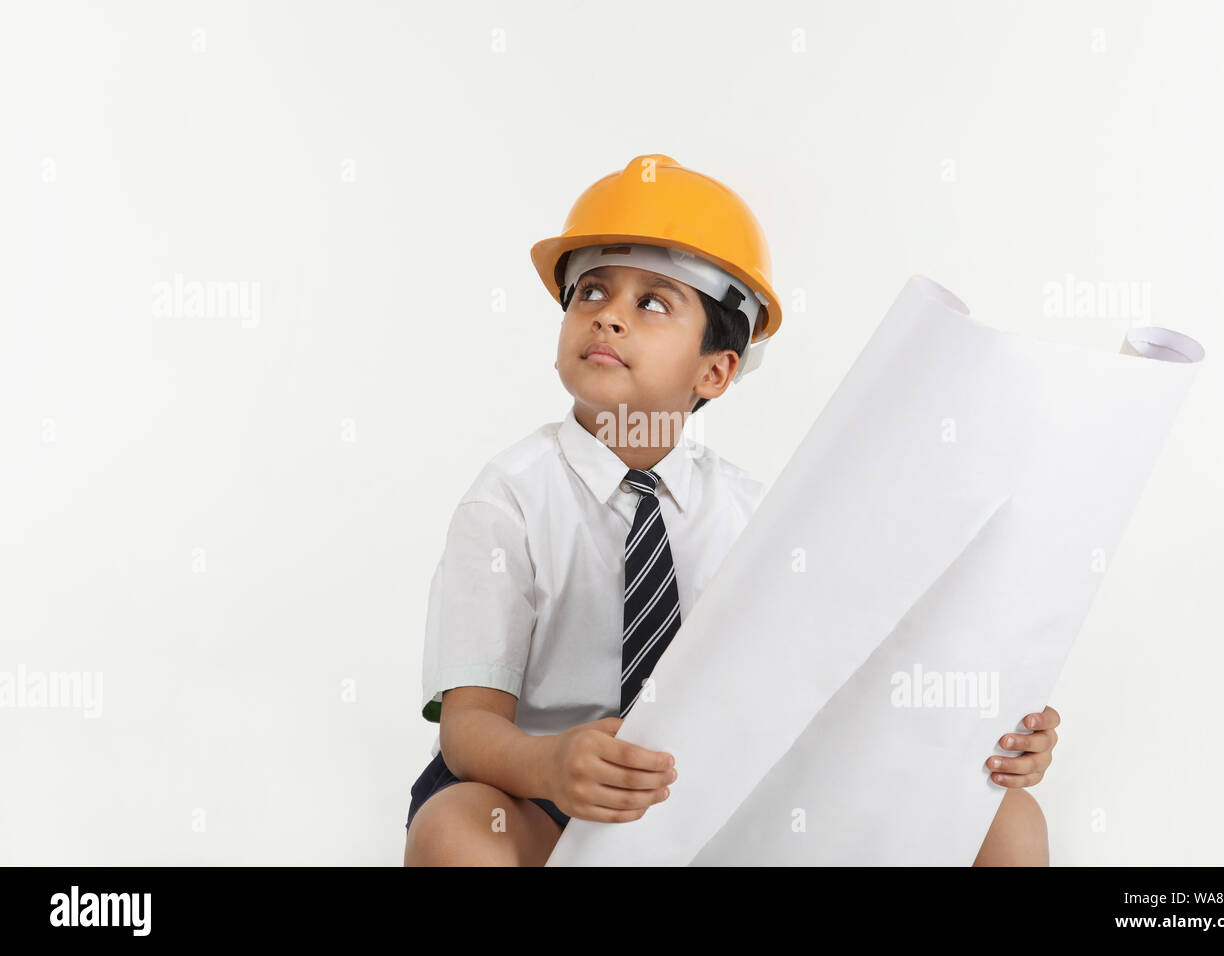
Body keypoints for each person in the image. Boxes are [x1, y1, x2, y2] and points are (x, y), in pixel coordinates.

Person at [403, 154, 1059, 866]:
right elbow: (467, 728)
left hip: (710, 815)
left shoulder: (759, 516)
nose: (610, 317)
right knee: (457, 827)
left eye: (652, 302)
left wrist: (989, 735)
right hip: (545, 803)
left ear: (715, 370)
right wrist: (551, 764)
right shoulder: (509, 500)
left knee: (1006, 818)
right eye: (591, 292)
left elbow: (837, 693)